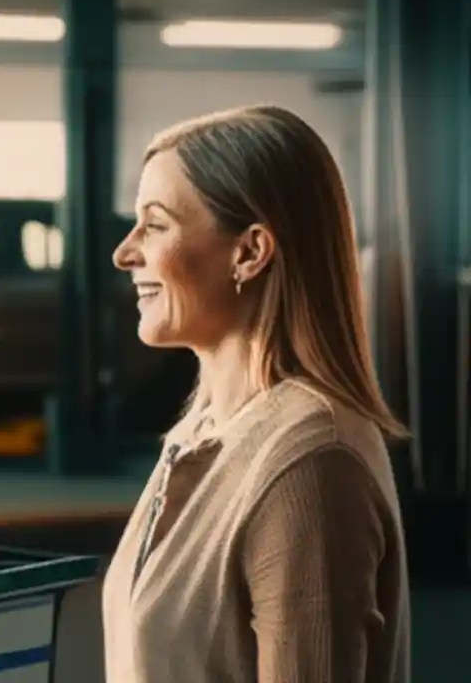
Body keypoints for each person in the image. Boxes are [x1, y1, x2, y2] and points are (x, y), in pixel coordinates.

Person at [103, 105, 411, 683]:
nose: (125, 252)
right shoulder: (201, 431)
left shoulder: (309, 461)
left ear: (249, 252)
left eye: (156, 224)